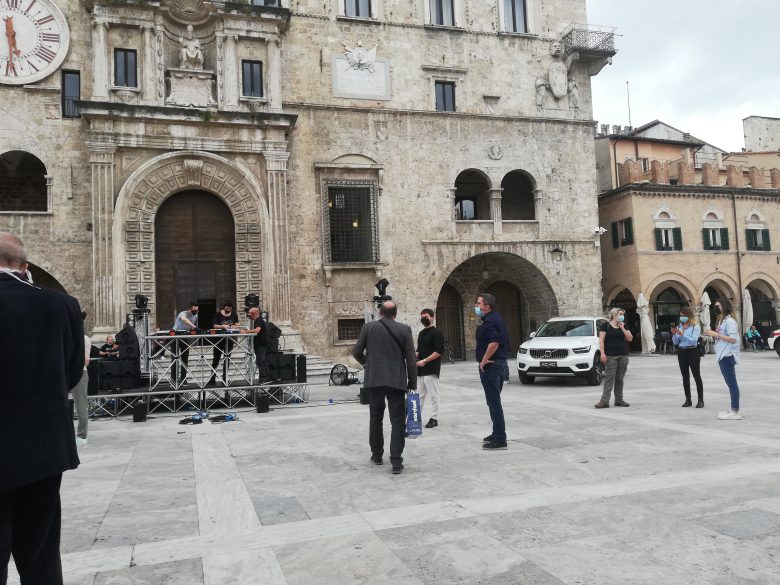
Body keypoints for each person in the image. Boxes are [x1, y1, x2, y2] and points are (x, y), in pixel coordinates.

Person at [0, 232, 83, 585]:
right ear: (26, 266)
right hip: (45, 451)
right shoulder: (61, 305)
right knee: (42, 559)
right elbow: (73, 370)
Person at [352, 301, 417, 474]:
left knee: (376, 418)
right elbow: (411, 360)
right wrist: (413, 383)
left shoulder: (368, 328)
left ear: (380, 313)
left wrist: (369, 364)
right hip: (396, 380)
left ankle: (377, 455)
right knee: (397, 421)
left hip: (375, 380)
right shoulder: (404, 329)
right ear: (395, 314)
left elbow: (356, 352)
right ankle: (396, 461)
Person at [474, 293, 511, 450]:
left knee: (494, 403)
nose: (476, 306)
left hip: (492, 366)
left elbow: (494, 342)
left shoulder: (489, 321)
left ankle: (500, 439)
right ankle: (496, 433)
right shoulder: (496, 318)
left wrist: (483, 361)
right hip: (499, 364)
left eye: (478, 303)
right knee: (492, 402)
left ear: (486, 306)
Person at [703, 299, 742, 420]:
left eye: (717, 306)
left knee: (732, 384)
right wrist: (711, 333)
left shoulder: (730, 321)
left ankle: (735, 411)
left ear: (724, 307)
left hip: (728, 356)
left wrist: (716, 335)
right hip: (723, 355)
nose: (716, 308)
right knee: (730, 384)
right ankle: (733, 409)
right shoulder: (722, 320)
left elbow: (733, 339)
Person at [595, 307, 633, 409]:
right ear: (614, 315)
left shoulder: (624, 325)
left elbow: (630, 338)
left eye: (622, 314)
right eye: (620, 314)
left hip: (623, 355)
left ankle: (619, 400)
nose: (622, 316)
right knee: (609, 379)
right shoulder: (605, 325)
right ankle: (604, 401)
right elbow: (601, 340)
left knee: (620, 379)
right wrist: (602, 353)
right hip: (611, 356)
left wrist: (623, 328)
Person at [416, 308, 444, 429]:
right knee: (419, 395)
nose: (424, 319)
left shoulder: (437, 333)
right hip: (420, 369)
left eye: (426, 316)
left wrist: (425, 360)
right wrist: (412, 357)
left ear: (432, 317)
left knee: (434, 395)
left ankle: (434, 418)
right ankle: (416, 418)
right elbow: (419, 350)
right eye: (422, 316)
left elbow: (438, 351)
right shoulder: (421, 333)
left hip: (431, 368)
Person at [671, 307, 704, 408]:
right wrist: (674, 334)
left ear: (689, 316)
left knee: (696, 376)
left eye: (684, 315)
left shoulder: (695, 327)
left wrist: (683, 335)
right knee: (685, 377)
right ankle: (688, 399)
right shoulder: (679, 326)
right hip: (682, 352)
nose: (682, 317)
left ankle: (700, 400)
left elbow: (694, 341)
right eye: (681, 315)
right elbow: (676, 342)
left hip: (693, 351)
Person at [71, 311, 92, 446]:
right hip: (67, 374)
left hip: (79, 374)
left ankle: (82, 436)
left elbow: (85, 361)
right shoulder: (69, 337)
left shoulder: (84, 339)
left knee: (81, 406)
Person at [207, 301, 239, 386]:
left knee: (227, 358)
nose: (228, 310)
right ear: (224, 307)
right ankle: (212, 379)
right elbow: (214, 326)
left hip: (229, 339)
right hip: (218, 339)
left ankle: (225, 378)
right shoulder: (218, 314)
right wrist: (223, 326)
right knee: (216, 359)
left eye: (230, 309)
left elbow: (237, 324)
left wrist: (233, 326)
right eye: (227, 308)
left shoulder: (234, 315)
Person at [170, 302, 198, 385]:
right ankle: (173, 380)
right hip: (175, 336)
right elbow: (184, 320)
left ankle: (183, 379)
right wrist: (195, 327)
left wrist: (192, 330)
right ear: (189, 309)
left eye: (197, 310)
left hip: (184, 336)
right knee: (174, 359)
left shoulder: (195, 316)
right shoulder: (183, 313)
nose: (195, 312)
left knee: (185, 359)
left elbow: (188, 326)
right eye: (194, 310)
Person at [245, 307, 272, 384]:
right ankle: (267, 378)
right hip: (260, 344)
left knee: (260, 361)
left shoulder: (258, 320)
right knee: (262, 361)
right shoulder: (257, 320)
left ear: (255, 313)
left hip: (261, 344)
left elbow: (257, 330)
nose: (249, 315)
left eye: (250, 313)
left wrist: (246, 331)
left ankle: (264, 379)